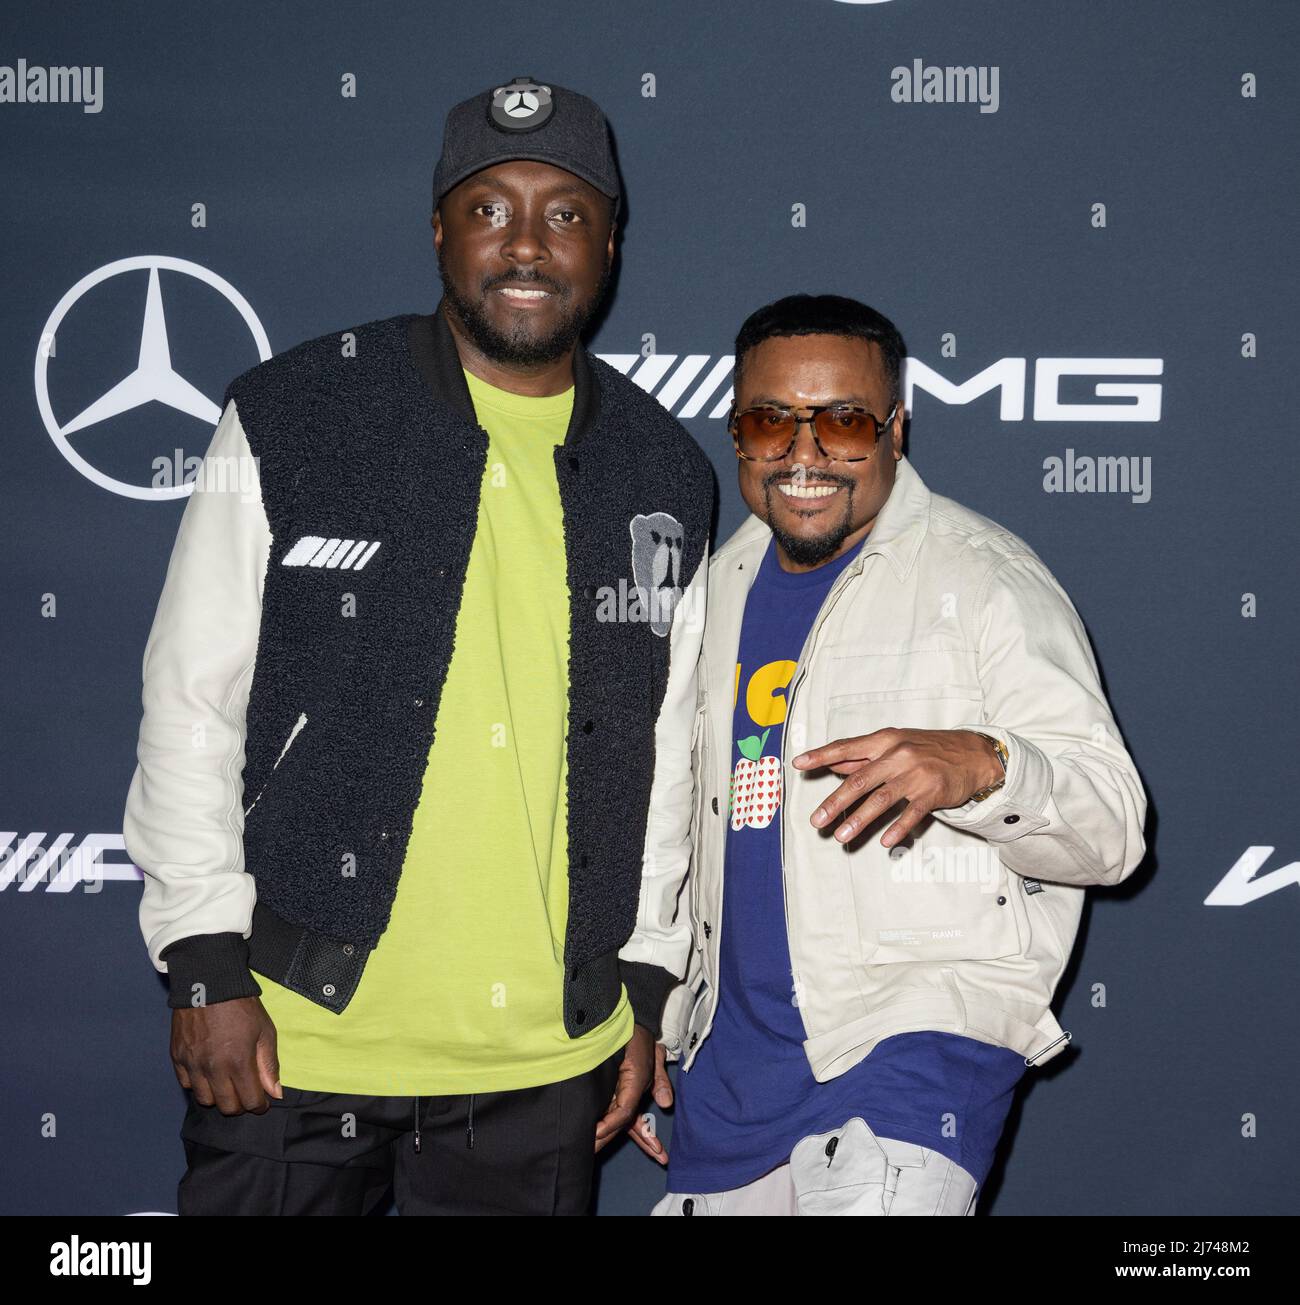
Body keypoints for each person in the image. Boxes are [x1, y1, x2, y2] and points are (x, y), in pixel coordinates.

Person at [123, 76, 714, 1216]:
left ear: (611, 240)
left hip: (542, 1060)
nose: (527, 244)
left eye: (565, 212)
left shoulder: (662, 468)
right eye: (491, 208)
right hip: (293, 1034)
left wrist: (644, 986)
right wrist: (200, 961)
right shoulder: (298, 408)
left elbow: (666, 751)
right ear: (439, 228)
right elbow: (193, 696)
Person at [634, 293, 1146, 1216]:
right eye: (770, 420)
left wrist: (987, 765)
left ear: (896, 430)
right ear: (738, 435)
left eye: (844, 421)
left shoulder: (982, 575)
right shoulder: (711, 594)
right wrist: (644, 1017)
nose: (805, 453)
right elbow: (668, 832)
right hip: (727, 1078)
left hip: (911, 1055)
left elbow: (1112, 829)